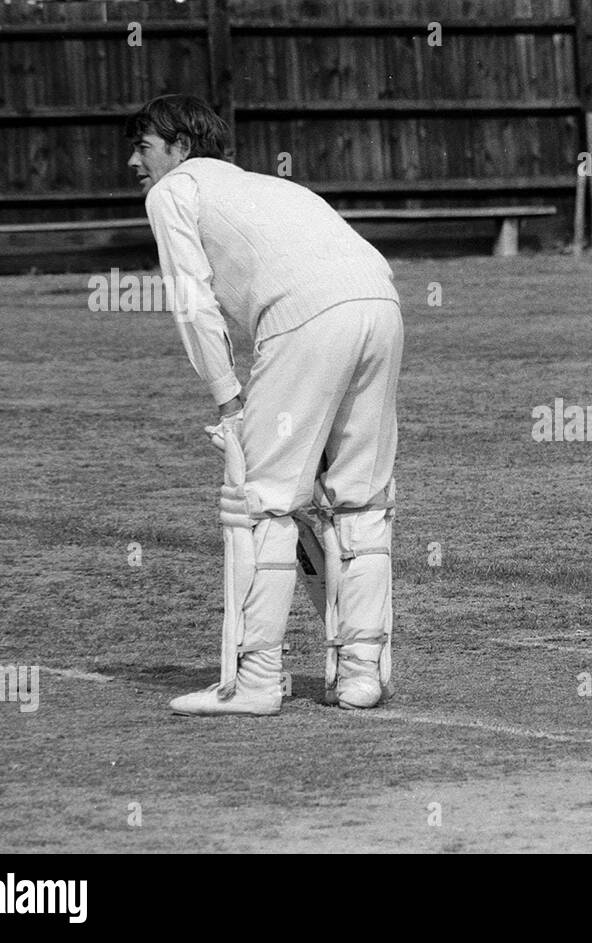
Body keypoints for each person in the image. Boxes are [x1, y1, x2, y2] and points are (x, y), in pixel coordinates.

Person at [126, 94, 403, 713]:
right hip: (381, 305)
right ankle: (361, 675)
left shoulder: (173, 191)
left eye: (144, 147)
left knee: (261, 501)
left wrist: (228, 398)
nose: (134, 163)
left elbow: (192, 300)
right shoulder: (275, 187)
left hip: (305, 316)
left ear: (180, 147)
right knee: (361, 497)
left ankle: (256, 680)